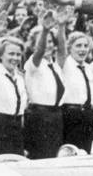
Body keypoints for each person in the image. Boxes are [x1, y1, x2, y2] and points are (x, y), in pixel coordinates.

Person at [23, 11, 66, 159]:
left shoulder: (54, 65)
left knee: (55, 155)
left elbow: (62, 49)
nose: (48, 45)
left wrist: (61, 26)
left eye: (50, 42)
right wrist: (45, 30)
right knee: (42, 156)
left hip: (56, 115)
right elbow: (39, 51)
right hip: (40, 116)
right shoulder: (33, 63)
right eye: (44, 41)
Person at [0, 30, 28, 156]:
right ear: (1, 55)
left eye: (18, 55)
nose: (15, 58)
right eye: (11, 54)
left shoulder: (19, 77)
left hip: (16, 126)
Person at [59, 31, 93, 151]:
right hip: (71, 115)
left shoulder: (88, 68)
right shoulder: (65, 64)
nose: (83, 49)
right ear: (70, 48)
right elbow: (61, 49)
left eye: (85, 46)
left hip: (88, 114)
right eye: (78, 46)